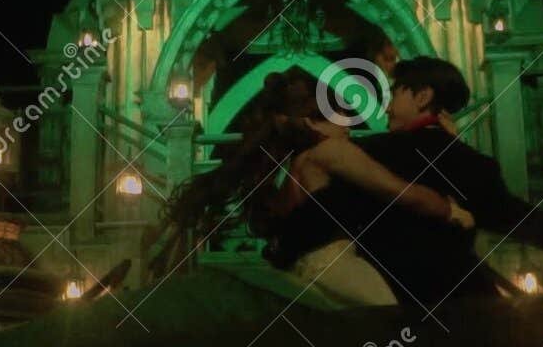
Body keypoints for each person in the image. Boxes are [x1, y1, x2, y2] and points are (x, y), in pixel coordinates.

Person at [163, 69, 474, 306]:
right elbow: (401, 192)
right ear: (312, 123)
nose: (351, 128)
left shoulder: (286, 166)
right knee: (403, 327)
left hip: (302, 276)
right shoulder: (331, 153)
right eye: (343, 118)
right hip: (340, 274)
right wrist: (450, 210)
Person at [327, 56, 543, 305]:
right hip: (456, 299)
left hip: (378, 297)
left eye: (394, 95)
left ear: (423, 96)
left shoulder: (371, 153)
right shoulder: (473, 164)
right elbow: (512, 217)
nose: (386, 108)